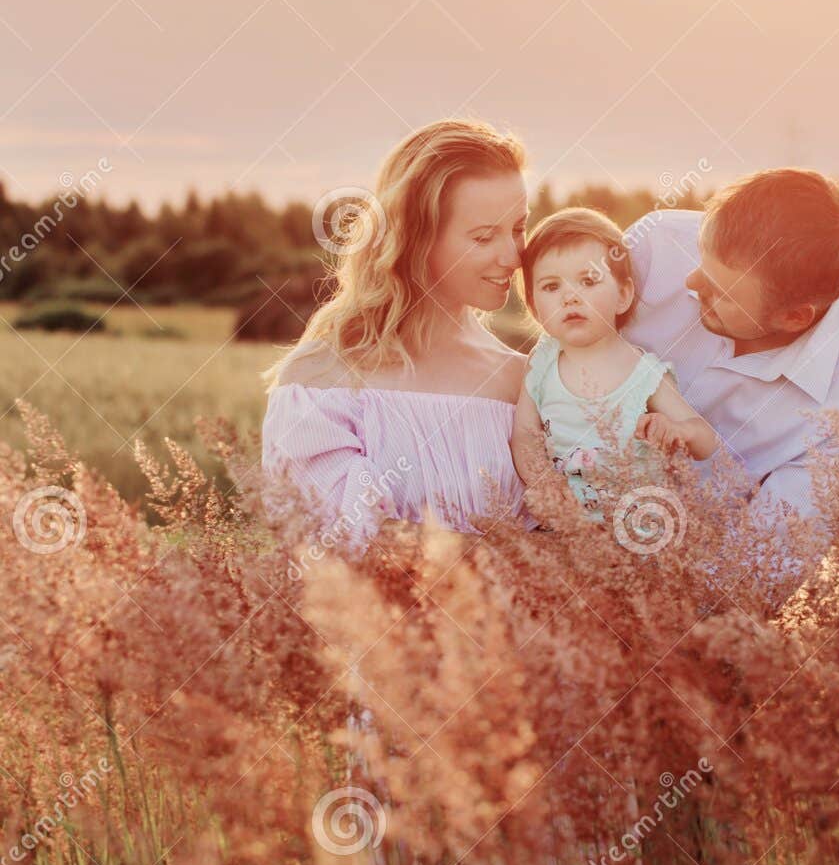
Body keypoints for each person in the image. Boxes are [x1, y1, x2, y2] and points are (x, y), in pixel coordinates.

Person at [260, 118, 530, 545]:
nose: (513, 256)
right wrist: (521, 555)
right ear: (415, 239)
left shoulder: (527, 380)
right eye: (483, 237)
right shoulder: (319, 380)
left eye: (519, 228)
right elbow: (333, 549)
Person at [623, 168, 839, 528]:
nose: (690, 282)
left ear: (794, 318)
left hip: (684, 559)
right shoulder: (655, 245)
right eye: (699, 260)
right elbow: (548, 372)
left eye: (722, 292)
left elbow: (759, 564)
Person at [510, 207, 718, 521]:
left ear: (622, 295)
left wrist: (677, 430)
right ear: (535, 309)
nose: (570, 297)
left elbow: (706, 440)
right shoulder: (542, 362)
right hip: (566, 527)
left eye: (588, 280)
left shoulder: (643, 373)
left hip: (635, 528)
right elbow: (525, 432)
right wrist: (544, 483)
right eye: (552, 287)